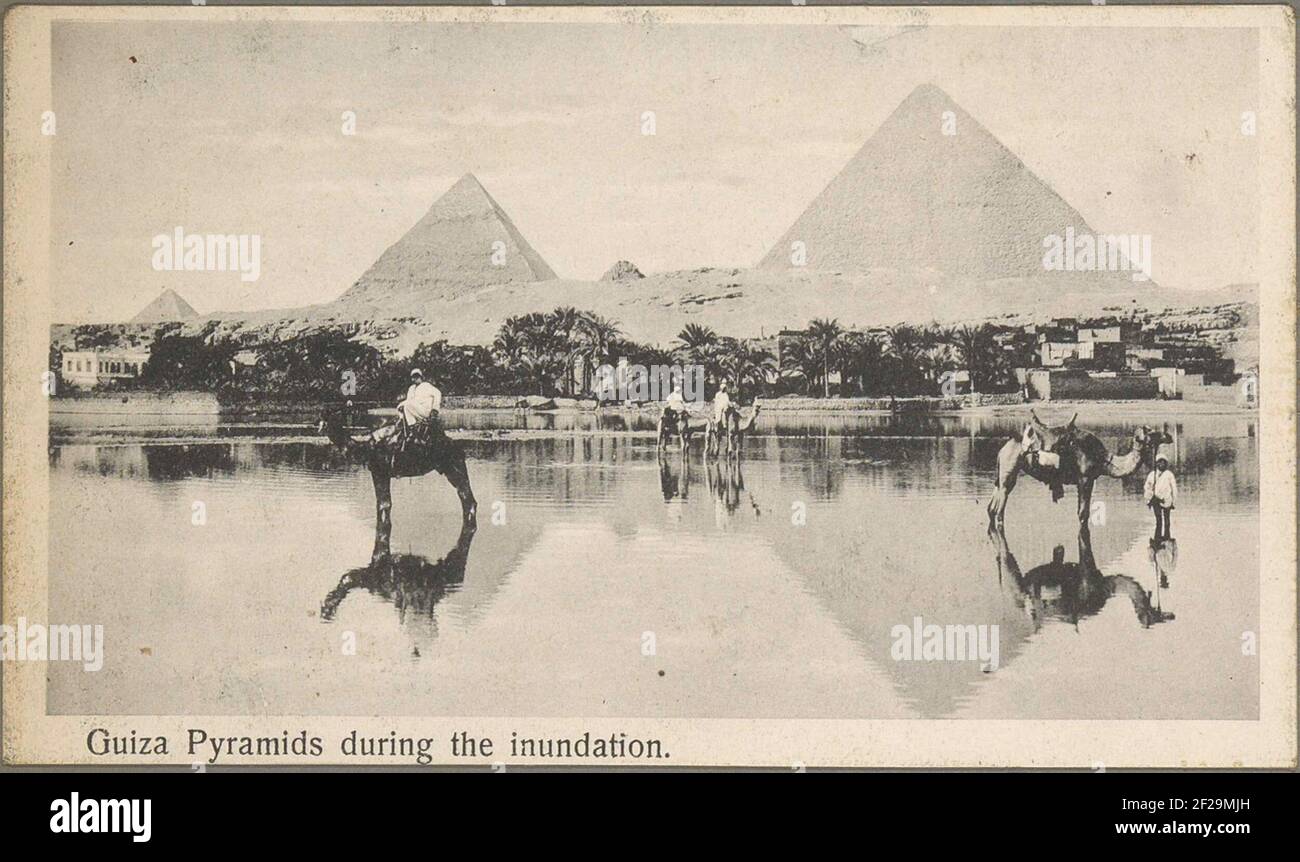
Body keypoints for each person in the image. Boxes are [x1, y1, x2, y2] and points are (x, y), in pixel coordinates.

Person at [397, 368, 442, 444]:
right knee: (403, 406)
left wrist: (435, 409)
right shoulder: (411, 388)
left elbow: (438, 393)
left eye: (417, 376)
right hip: (415, 411)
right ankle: (410, 430)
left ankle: (413, 431)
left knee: (407, 405)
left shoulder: (426, 386)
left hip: (425, 411)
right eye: (413, 377)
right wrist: (400, 406)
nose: (415, 379)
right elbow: (409, 400)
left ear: (421, 377)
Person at [1144, 445, 1177, 542]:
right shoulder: (1152, 475)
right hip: (1156, 500)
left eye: (1163, 462)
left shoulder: (1169, 475)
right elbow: (1147, 488)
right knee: (1159, 520)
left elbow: (1174, 489)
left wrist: (1173, 502)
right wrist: (1148, 499)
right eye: (1159, 462)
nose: (1161, 464)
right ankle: (1157, 540)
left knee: (1167, 521)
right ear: (1156, 464)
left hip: (1166, 500)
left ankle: (1167, 538)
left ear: (1166, 464)